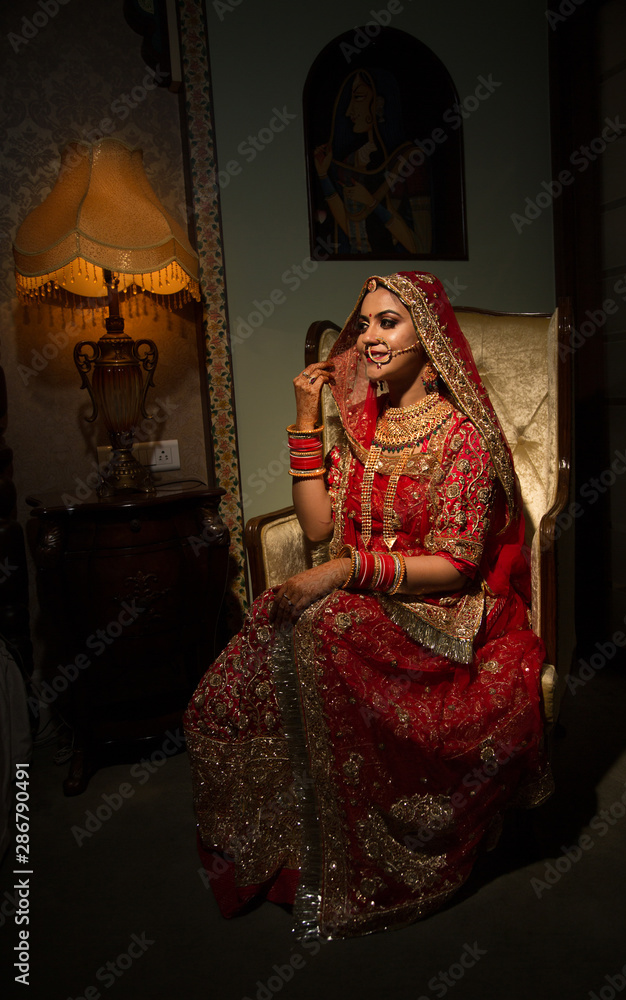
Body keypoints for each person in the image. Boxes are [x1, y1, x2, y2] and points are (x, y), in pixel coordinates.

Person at [184, 271, 553, 940]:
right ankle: (294, 848)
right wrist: (303, 425)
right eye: (365, 324)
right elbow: (320, 527)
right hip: (361, 592)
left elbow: (458, 563)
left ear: (429, 336)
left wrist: (346, 573)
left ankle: (354, 858)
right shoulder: (361, 429)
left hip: (441, 608)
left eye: (389, 322)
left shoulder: (462, 438)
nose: (370, 338)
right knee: (246, 660)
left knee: (318, 628)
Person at [313, 70, 432, 255]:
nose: (349, 111)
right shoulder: (353, 161)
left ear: (379, 104)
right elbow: (353, 233)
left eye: (358, 97)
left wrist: (372, 203)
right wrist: (323, 175)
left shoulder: (409, 161)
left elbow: (422, 248)